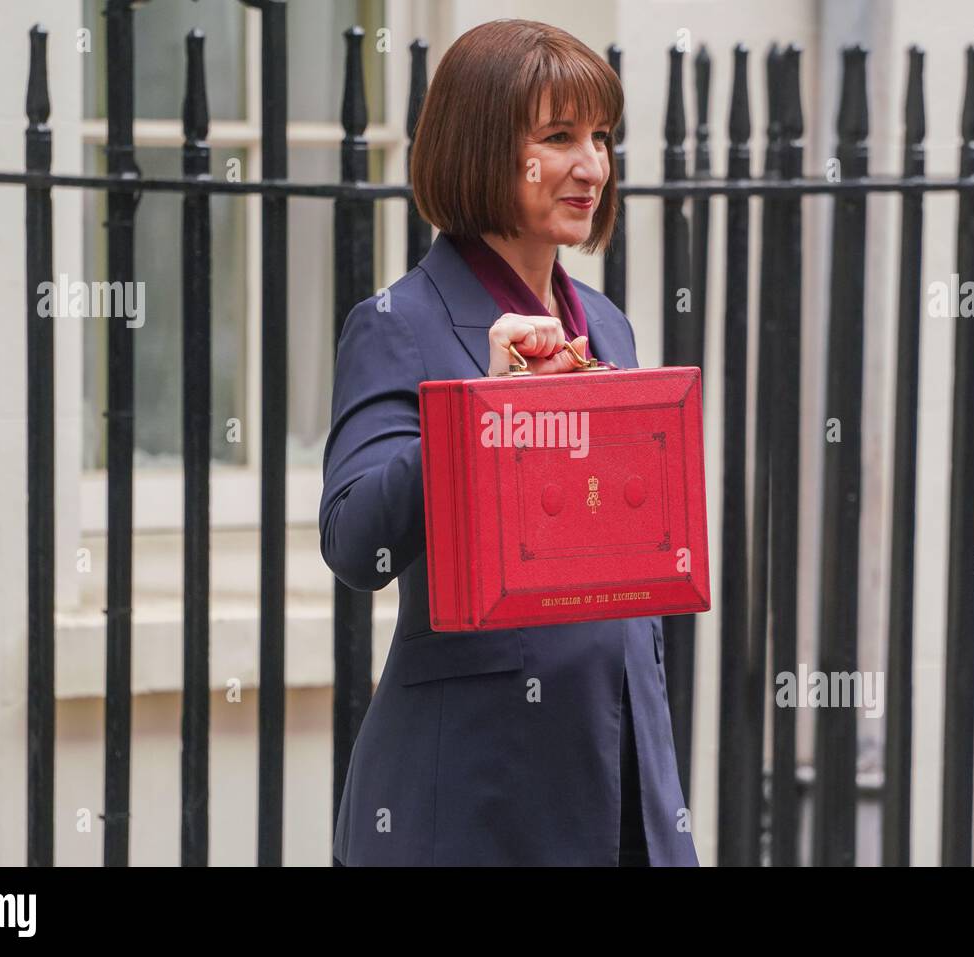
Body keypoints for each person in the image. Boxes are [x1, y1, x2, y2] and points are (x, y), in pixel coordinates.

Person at [321, 18, 698, 867]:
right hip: (471, 805)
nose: (592, 165)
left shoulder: (606, 324)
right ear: (484, 147)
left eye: (600, 137)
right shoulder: (397, 325)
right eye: (559, 137)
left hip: (627, 791)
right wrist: (485, 412)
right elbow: (354, 543)